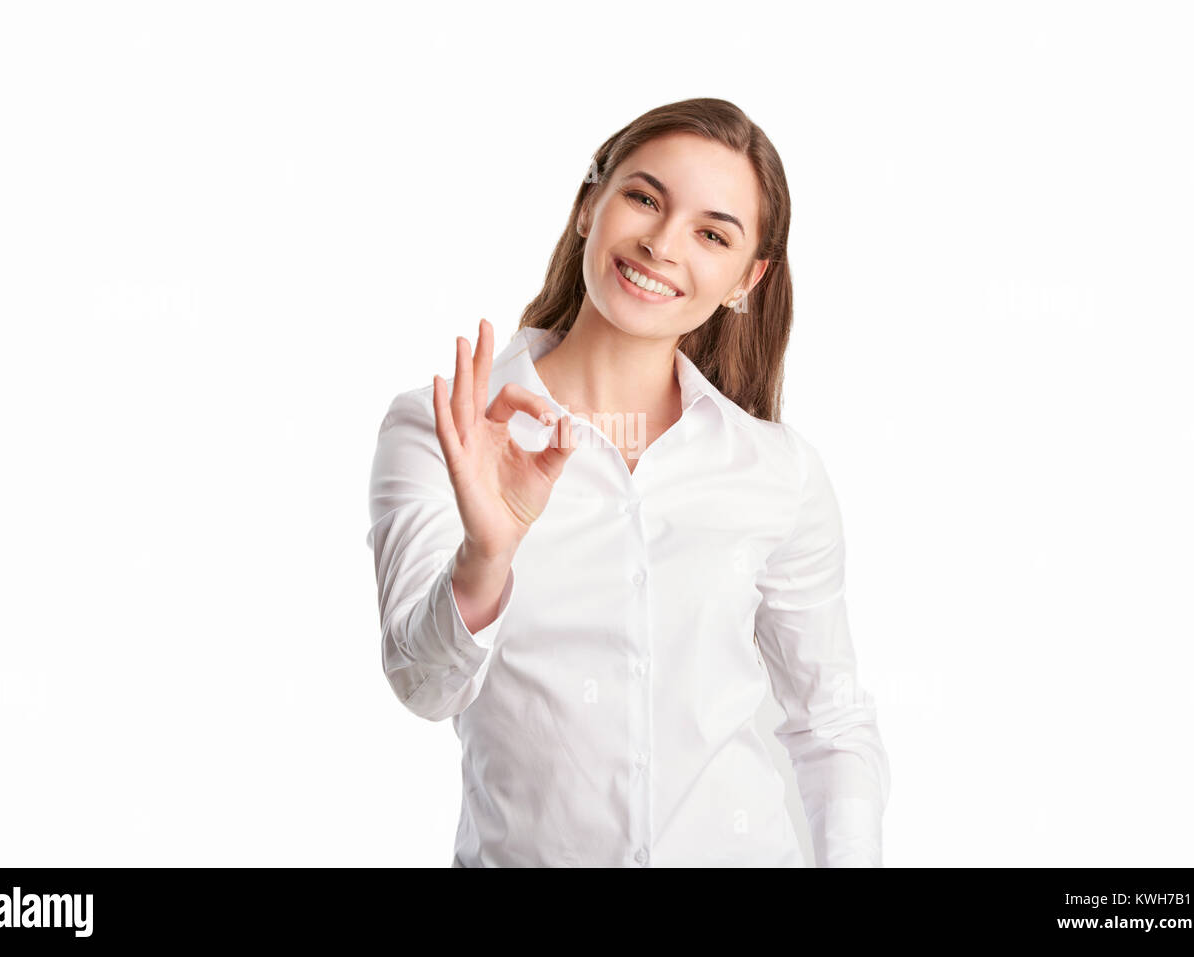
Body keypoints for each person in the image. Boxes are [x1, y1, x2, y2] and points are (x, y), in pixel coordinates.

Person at [366, 98, 890, 867]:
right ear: (589, 206)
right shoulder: (444, 428)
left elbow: (830, 723)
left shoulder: (777, 471)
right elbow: (424, 685)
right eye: (645, 198)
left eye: (712, 233)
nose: (662, 244)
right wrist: (486, 557)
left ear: (748, 278)